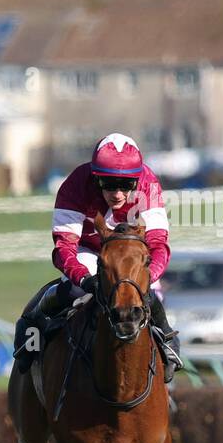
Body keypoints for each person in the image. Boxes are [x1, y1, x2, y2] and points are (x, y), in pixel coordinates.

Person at [13, 133, 182, 380]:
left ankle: (167, 341)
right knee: (75, 290)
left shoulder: (149, 184)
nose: (117, 193)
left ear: (137, 180)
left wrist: (148, 275)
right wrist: (84, 280)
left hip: (129, 257)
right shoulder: (75, 185)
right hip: (89, 250)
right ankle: (33, 323)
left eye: (125, 185)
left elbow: (157, 245)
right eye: (108, 184)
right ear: (95, 178)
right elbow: (64, 248)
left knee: (152, 292)